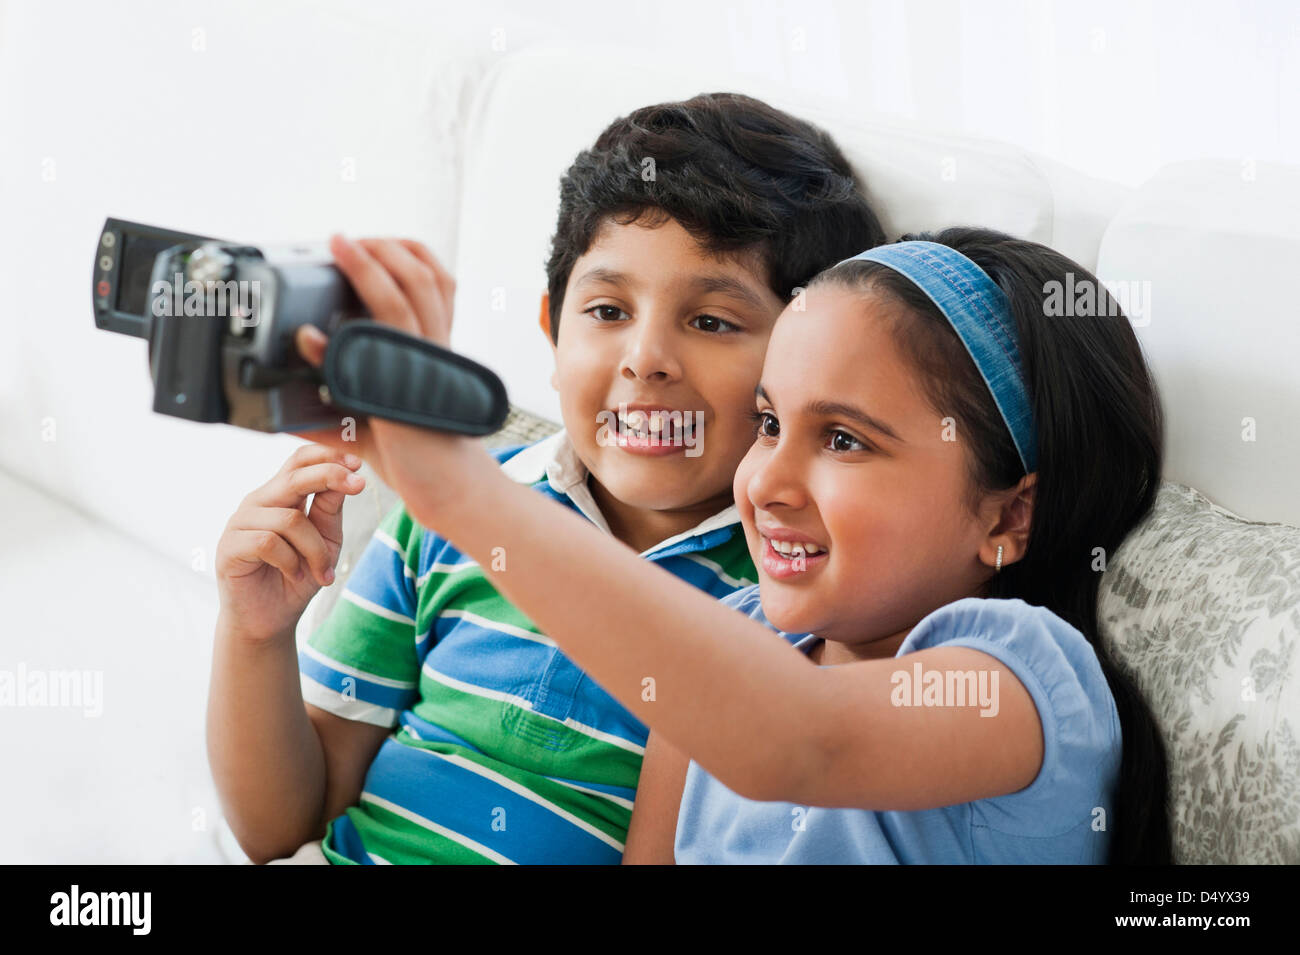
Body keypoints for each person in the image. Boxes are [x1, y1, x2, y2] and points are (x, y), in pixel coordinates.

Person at [306, 227, 1174, 864]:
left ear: (1006, 518)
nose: (766, 482)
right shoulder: (736, 634)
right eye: (769, 422)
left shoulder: (1017, 679)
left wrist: (460, 491)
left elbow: (802, 740)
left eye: (844, 439)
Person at [208, 91, 886, 864]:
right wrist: (255, 633)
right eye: (606, 310)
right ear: (551, 332)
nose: (645, 357)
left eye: (711, 321)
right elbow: (277, 828)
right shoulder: (440, 521)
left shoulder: (790, 596)